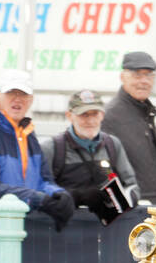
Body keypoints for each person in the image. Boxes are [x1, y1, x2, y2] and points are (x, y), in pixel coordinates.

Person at [0, 70, 74, 228]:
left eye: (23, 94)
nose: (17, 99)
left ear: (31, 100)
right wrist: (38, 199)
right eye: (11, 93)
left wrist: (58, 195)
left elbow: (44, 180)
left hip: (18, 228)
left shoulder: (27, 133)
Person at [50, 90, 139, 222]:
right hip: (67, 229)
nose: (90, 121)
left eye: (95, 114)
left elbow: (131, 184)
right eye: (83, 115)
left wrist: (125, 200)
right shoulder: (54, 147)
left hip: (108, 228)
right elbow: (42, 189)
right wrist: (76, 196)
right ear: (69, 116)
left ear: (102, 115)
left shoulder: (113, 145)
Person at [101, 51, 156, 204]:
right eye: (137, 75)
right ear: (122, 77)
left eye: (149, 75)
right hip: (136, 210)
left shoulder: (145, 111)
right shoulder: (110, 117)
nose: (144, 81)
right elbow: (104, 170)